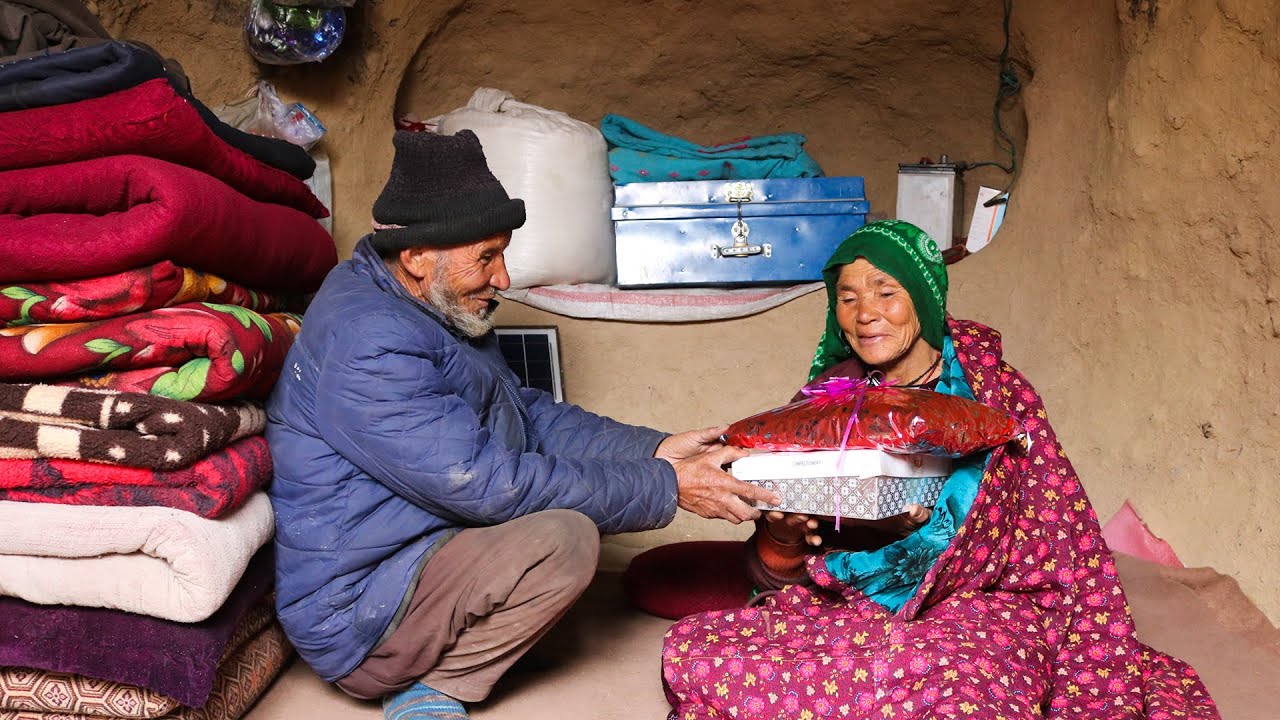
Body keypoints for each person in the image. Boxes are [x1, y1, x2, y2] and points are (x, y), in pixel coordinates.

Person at [265, 129, 780, 720]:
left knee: (574, 581)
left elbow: (526, 415)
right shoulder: (372, 341)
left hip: (414, 557)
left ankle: (459, 650)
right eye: (487, 257)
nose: (504, 279)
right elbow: (490, 485)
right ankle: (436, 686)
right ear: (416, 256)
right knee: (564, 540)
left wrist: (657, 449)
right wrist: (670, 487)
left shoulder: (427, 303)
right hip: (357, 613)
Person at [661, 220, 1219, 719]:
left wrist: (944, 540)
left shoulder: (995, 394)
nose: (866, 313)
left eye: (887, 293)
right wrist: (787, 536)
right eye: (848, 298)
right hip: (863, 602)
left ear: (925, 299)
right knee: (702, 651)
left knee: (961, 691)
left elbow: (1061, 536)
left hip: (985, 602)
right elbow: (772, 572)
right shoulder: (824, 405)